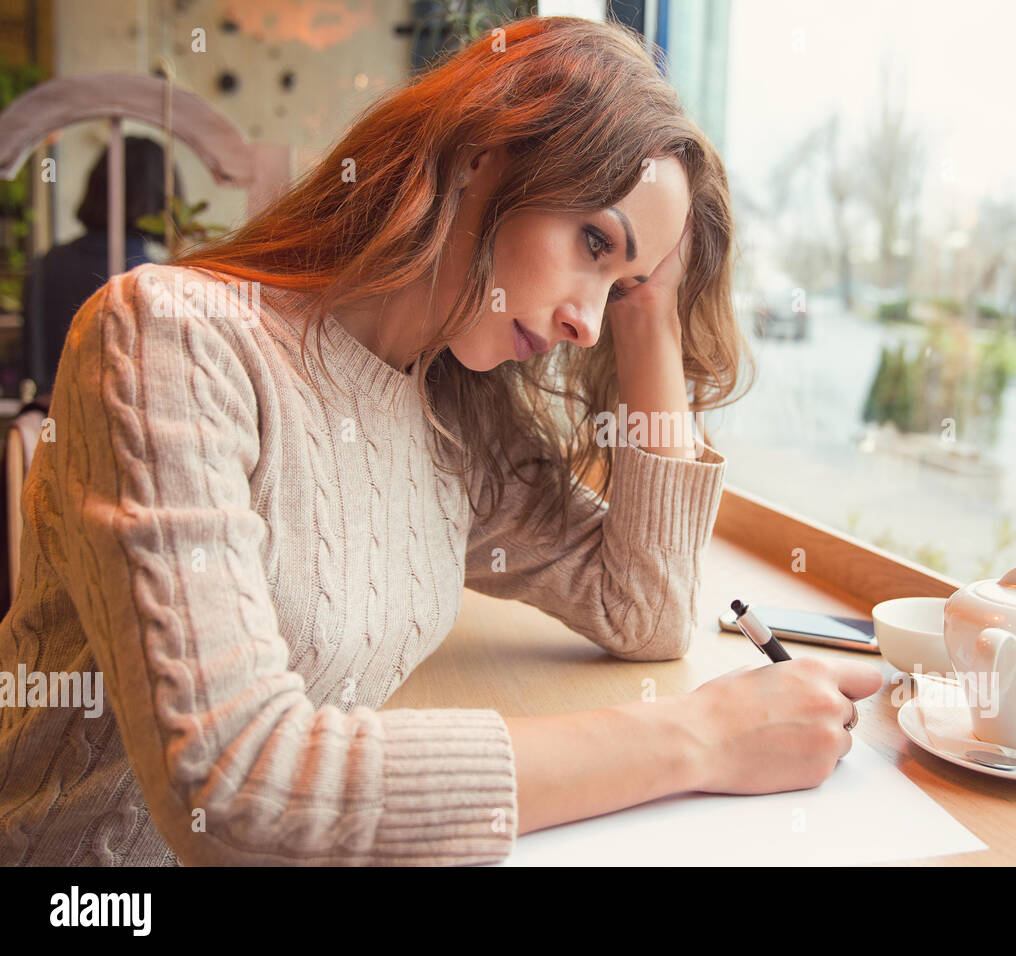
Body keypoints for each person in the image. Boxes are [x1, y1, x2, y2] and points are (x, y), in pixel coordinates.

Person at [0, 15, 881, 866]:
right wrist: (696, 737)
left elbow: (643, 609)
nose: (589, 323)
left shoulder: (453, 412)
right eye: (591, 242)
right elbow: (236, 791)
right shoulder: (172, 340)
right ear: (480, 155)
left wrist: (652, 314)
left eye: (621, 285)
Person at [20, 136, 177, 403]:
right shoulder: (154, 278)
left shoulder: (47, 264)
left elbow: (33, 364)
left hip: (52, 422)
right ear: (161, 194)